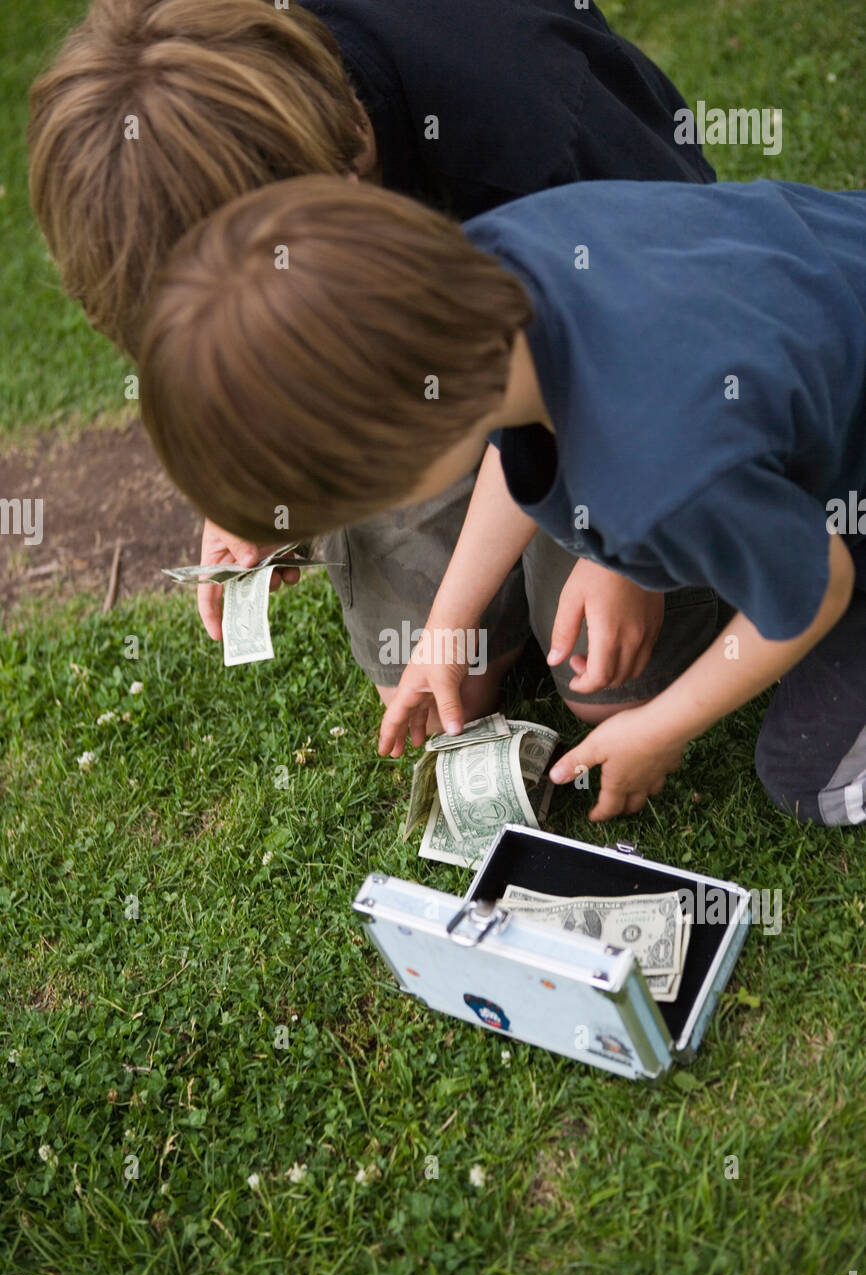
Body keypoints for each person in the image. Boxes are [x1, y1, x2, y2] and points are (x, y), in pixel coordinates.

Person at [28, 0, 721, 726]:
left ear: (348, 187)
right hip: (466, 355)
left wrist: (623, 552)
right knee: (428, 683)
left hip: (618, 374)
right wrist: (253, 480)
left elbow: (676, 323)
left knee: (606, 691)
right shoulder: (241, 139)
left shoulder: (542, 129)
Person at [138, 174, 866, 824]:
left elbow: (812, 588)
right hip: (826, 270)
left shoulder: (659, 474)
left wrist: (661, 728)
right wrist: (448, 627)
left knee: (812, 783)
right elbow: (515, 445)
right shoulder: (497, 258)